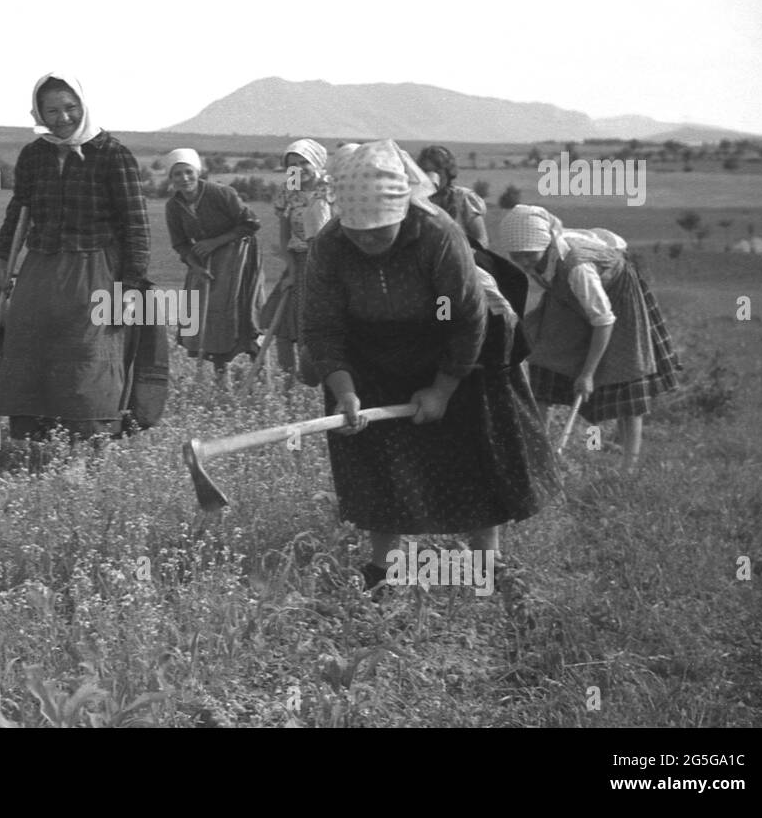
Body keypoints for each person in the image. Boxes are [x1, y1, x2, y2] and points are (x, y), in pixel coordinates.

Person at [303, 140, 559, 594]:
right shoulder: (330, 245)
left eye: (378, 232)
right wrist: (345, 391)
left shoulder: (436, 233)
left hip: (451, 339)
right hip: (369, 350)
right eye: (357, 233)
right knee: (378, 455)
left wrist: (442, 389)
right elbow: (323, 328)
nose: (366, 241)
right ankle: (383, 572)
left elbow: (466, 318)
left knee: (472, 451)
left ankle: (485, 567)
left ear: (402, 212)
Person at [0, 73, 151, 443]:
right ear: (39, 113)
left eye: (70, 107)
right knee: (31, 345)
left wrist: (131, 286)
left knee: (87, 353)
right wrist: (1, 259)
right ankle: (40, 441)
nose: (63, 118)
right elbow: (18, 210)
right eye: (52, 111)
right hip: (41, 267)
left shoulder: (113, 155)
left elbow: (136, 224)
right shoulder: (34, 155)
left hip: (94, 268)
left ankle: (88, 447)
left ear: (83, 105)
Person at [500, 204, 681, 472]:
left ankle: (628, 470)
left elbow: (603, 320)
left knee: (625, 375)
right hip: (567, 298)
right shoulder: (542, 260)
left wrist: (587, 375)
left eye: (529, 255)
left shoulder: (578, 268)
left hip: (618, 297)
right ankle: (539, 459)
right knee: (545, 364)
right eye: (517, 256)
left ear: (546, 244)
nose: (524, 262)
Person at [163, 148, 265, 387]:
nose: (184, 178)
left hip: (239, 259)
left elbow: (251, 223)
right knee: (209, 316)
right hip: (205, 263)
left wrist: (214, 242)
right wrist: (194, 266)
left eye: (188, 172)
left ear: (198, 172)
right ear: (171, 178)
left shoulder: (220, 193)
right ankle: (222, 381)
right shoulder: (173, 206)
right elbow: (180, 243)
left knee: (243, 315)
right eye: (177, 174)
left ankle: (261, 379)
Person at [268, 139, 334, 386]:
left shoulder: (330, 187)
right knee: (293, 322)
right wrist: (292, 269)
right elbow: (284, 235)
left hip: (330, 260)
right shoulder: (290, 190)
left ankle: (325, 376)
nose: (298, 168)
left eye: (303, 162)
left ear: (316, 162)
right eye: (292, 165)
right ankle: (297, 380)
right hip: (300, 259)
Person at [416, 145, 489, 247]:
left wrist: (467, 253)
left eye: (437, 172)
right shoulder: (416, 201)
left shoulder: (463, 198)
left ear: (448, 172)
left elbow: (482, 239)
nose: (431, 176)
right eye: (425, 171)